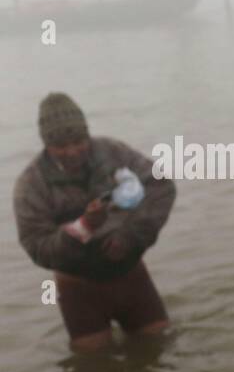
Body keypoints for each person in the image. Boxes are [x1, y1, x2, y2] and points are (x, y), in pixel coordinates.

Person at [13, 92, 174, 352]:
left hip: (130, 275)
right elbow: (36, 245)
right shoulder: (32, 184)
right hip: (78, 288)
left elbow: (161, 186)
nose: (72, 151)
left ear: (88, 134)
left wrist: (132, 235)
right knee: (93, 369)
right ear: (46, 145)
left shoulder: (113, 153)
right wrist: (83, 227)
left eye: (79, 141)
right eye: (61, 146)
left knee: (160, 350)